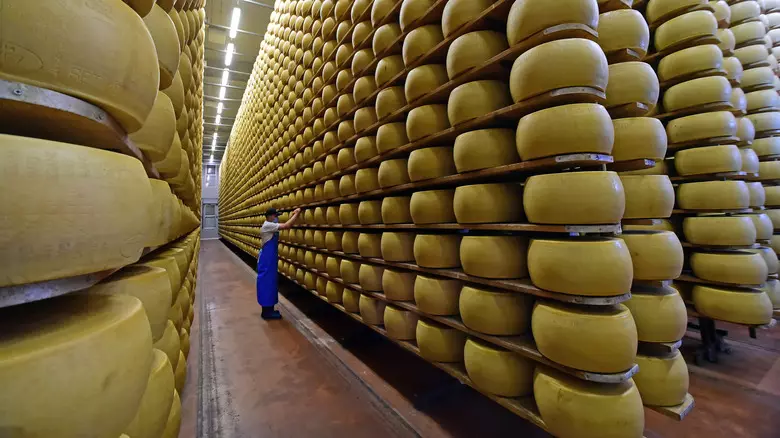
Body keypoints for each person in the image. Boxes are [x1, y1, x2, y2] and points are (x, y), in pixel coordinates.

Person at [256, 207, 301, 320]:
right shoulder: (267, 225)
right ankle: (266, 313)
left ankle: (269, 309)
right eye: (275, 216)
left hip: (269, 259)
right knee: (267, 284)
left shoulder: (269, 225)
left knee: (270, 284)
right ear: (270, 216)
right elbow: (286, 226)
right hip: (267, 260)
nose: (277, 218)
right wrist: (297, 214)